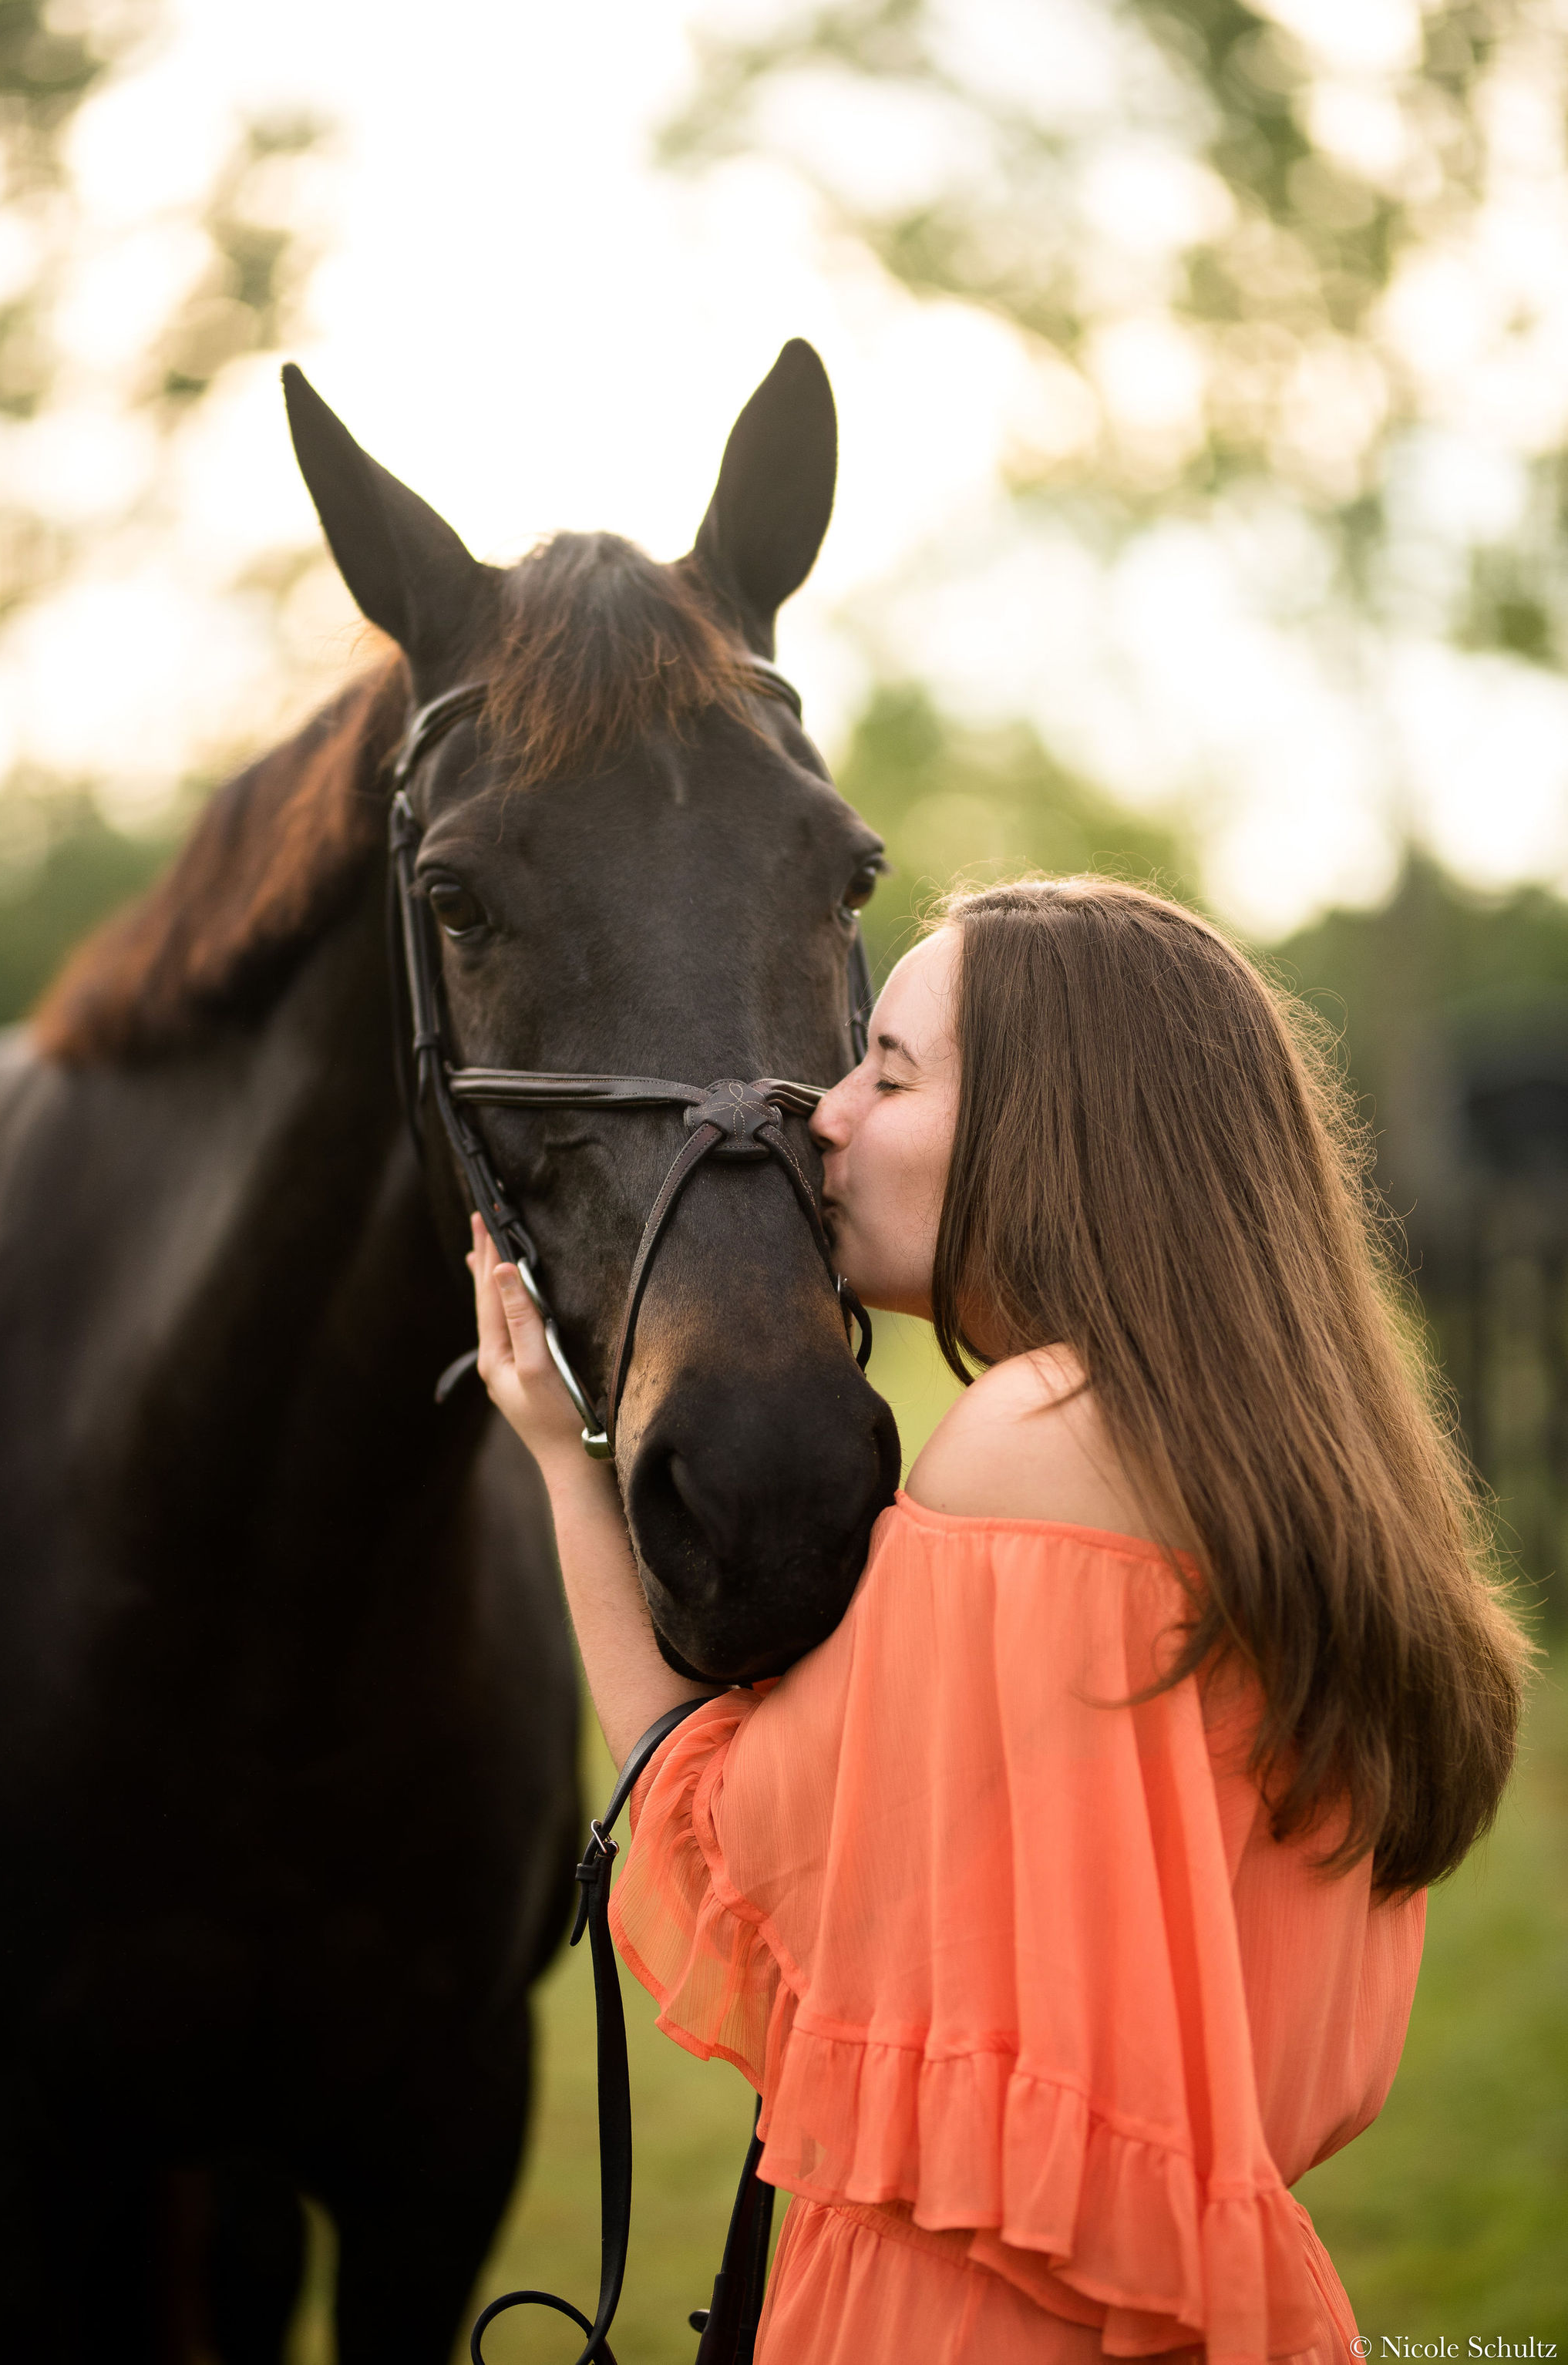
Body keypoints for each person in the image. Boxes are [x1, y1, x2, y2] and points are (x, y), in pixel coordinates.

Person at [469, 876, 1529, 2365]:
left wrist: (563, 1464)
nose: (821, 1115)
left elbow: (736, 1860)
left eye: (888, 1070)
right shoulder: (1287, 1476)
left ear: (1055, 1131)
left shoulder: (1034, 1440)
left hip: (970, 2302)